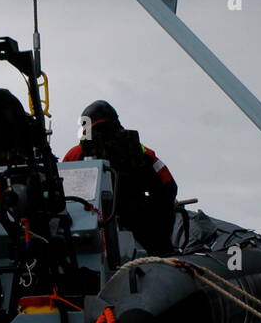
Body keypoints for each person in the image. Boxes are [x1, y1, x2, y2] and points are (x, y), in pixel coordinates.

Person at [63, 100, 178, 255]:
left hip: (89, 228)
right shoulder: (144, 152)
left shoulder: (74, 155)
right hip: (142, 227)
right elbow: (169, 187)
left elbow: (62, 195)